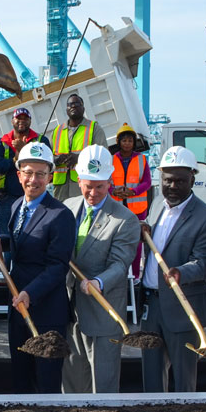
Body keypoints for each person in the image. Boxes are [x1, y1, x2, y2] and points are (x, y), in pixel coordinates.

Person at [138, 146, 206, 393]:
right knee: (151, 378)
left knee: (184, 380)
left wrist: (181, 272)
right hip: (151, 306)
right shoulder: (156, 205)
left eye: (180, 181)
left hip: (182, 307)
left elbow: (203, 262)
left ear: (192, 179)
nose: (173, 186)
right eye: (168, 180)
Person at [63, 145, 140, 394]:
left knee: (102, 385)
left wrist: (99, 282)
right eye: (88, 186)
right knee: (72, 383)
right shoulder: (68, 207)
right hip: (70, 309)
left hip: (103, 311)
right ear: (78, 180)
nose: (93, 193)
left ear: (110, 182)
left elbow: (120, 263)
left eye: (100, 187)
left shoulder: (125, 219)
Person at [0, 141, 75, 394]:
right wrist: (3, 242)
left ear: (50, 176)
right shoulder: (16, 206)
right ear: (19, 174)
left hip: (46, 310)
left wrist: (30, 293)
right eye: (28, 173)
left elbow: (57, 266)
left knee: (46, 382)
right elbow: (23, 241)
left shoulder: (60, 215)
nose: (34, 180)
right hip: (18, 305)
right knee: (21, 379)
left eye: (40, 174)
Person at [0, 108, 52, 241]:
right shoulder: (2, 142)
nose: (22, 121)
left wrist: (23, 150)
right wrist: (15, 158)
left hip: (35, 197)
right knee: (6, 239)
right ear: (12, 121)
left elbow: (47, 165)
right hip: (8, 198)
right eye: (18, 118)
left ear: (30, 121)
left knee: (35, 237)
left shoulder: (41, 140)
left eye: (25, 118)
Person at [110, 122, 152, 279]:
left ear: (134, 142)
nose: (127, 143)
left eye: (130, 140)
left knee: (136, 243)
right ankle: (117, 274)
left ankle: (134, 275)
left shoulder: (142, 159)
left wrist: (133, 191)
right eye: (124, 140)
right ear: (118, 142)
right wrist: (113, 191)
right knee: (116, 241)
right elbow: (106, 181)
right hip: (117, 207)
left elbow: (147, 182)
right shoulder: (111, 160)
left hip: (137, 209)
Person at [49, 94, 107, 201]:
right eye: (70, 104)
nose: (73, 106)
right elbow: (48, 159)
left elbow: (103, 156)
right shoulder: (57, 131)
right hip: (61, 189)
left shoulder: (94, 128)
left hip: (84, 185)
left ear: (83, 108)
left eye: (76, 104)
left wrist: (79, 158)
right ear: (66, 110)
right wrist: (57, 159)